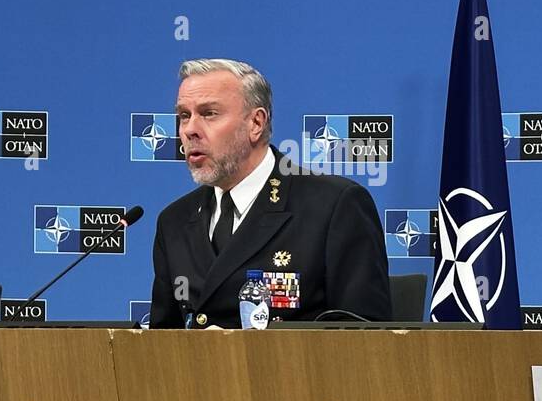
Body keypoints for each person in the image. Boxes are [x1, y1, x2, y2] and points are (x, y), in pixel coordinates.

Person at [150, 59, 391, 328]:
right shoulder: (174, 221)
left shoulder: (333, 206)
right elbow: (161, 342)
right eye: (184, 115)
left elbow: (367, 340)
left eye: (209, 114)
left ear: (256, 123)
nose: (190, 130)